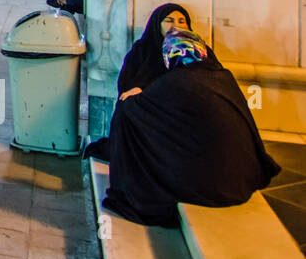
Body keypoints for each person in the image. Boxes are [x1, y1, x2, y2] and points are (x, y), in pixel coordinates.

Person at [96, 26, 280, 227]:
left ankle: (130, 185)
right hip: (241, 182)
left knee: (126, 111)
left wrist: (131, 100)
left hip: (207, 188)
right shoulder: (223, 77)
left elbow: (134, 112)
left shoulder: (175, 81)